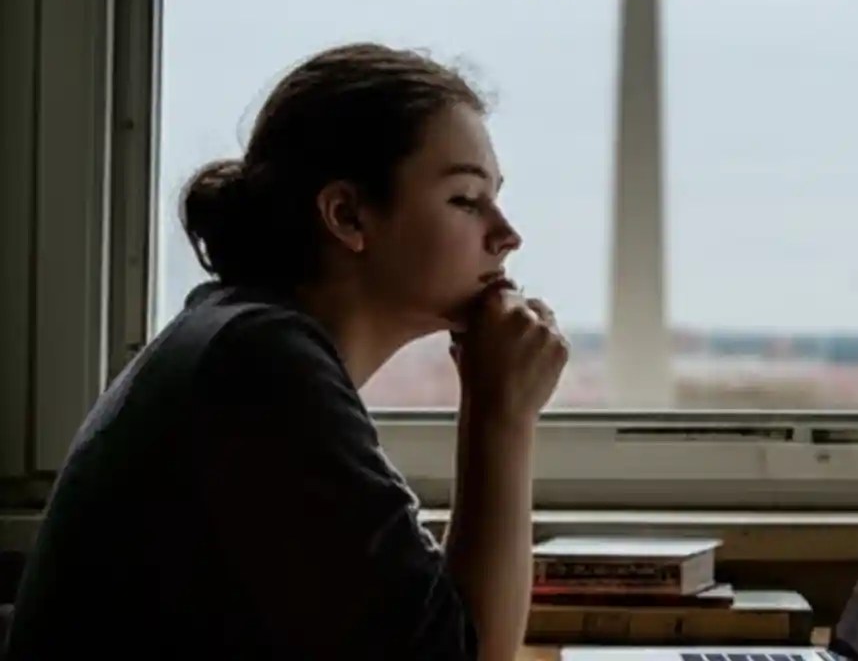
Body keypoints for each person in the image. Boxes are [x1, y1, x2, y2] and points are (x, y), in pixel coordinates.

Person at [3, 43, 567, 660]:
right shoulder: (261, 368)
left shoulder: (239, 337)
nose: (507, 235)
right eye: (465, 199)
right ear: (347, 216)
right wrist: (501, 414)